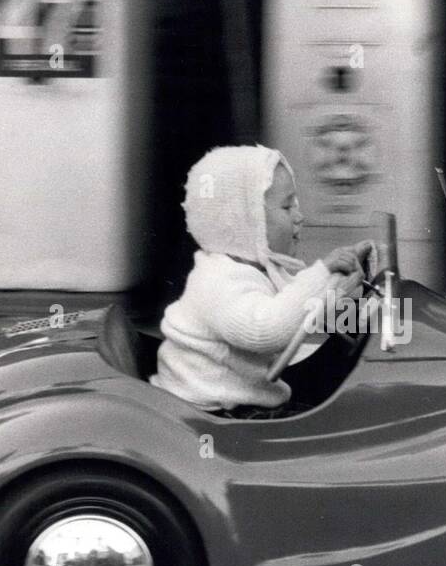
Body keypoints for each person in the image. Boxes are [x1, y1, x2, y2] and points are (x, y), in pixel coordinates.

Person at [151, 145, 372, 418]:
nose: (299, 217)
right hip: (215, 414)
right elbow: (263, 330)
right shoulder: (216, 281)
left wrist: (344, 291)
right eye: (287, 206)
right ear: (245, 219)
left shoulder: (254, 269)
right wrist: (323, 271)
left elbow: (296, 303)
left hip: (236, 407)